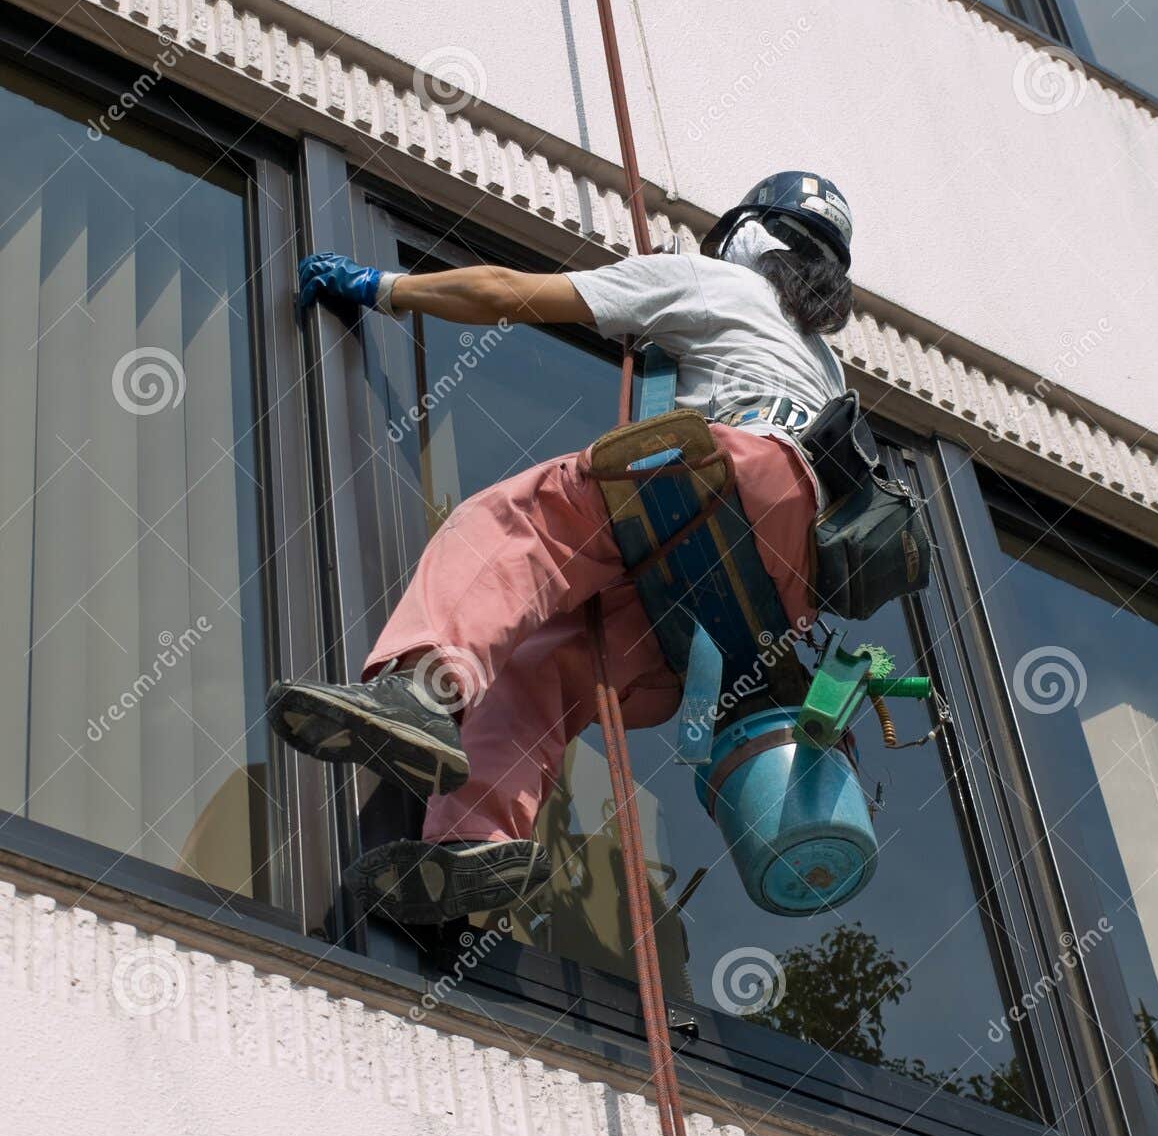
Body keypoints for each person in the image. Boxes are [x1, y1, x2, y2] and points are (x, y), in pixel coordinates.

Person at [267, 171, 854, 926]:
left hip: (732, 475)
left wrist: (381, 288)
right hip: (762, 595)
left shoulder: (711, 283)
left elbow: (505, 291)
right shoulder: (826, 368)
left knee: (516, 527)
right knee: (546, 663)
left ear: (745, 237)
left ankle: (418, 687)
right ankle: (474, 844)